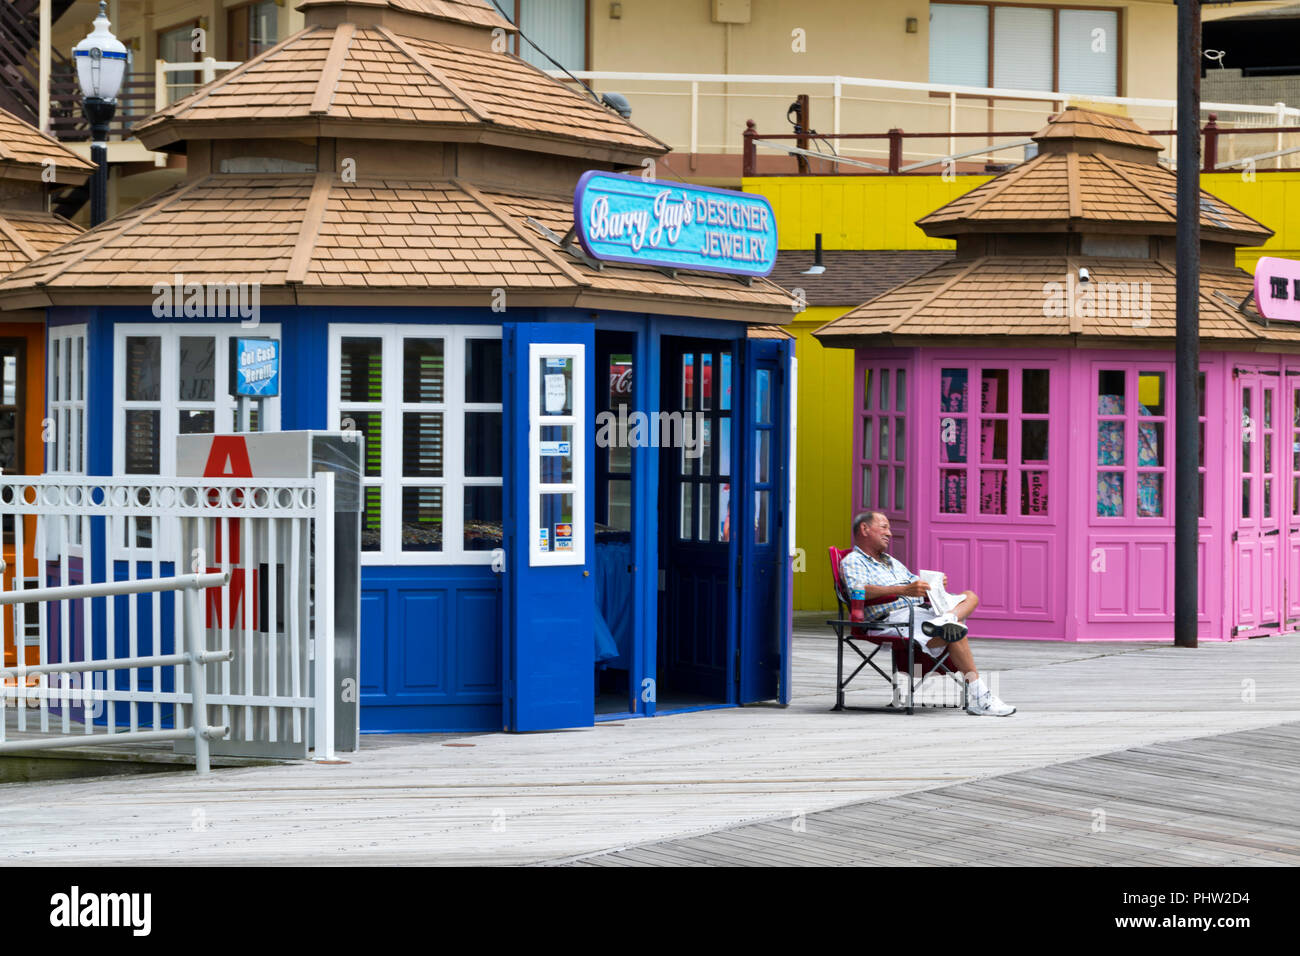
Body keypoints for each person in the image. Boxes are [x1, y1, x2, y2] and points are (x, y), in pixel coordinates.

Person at [839, 511, 1015, 717]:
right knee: (954, 632)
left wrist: (933, 585)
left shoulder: (891, 561)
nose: (890, 533)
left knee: (970, 596)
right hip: (890, 620)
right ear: (864, 529)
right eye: (884, 527)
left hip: (921, 612)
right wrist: (903, 590)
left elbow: (914, 583)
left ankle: (946, 618)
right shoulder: (854, 561)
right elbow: (856, 590)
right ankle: (982, 697)